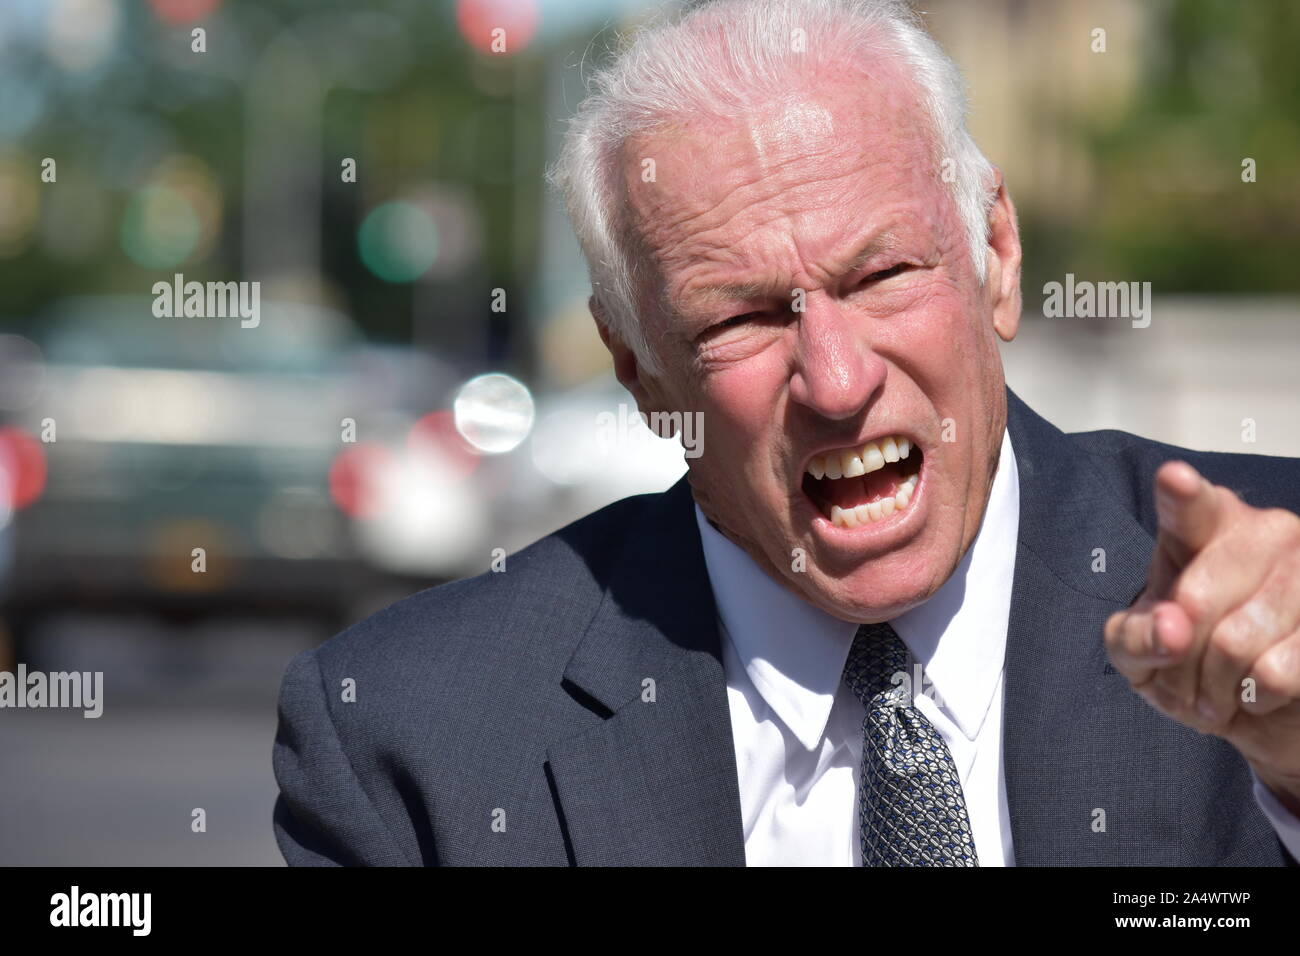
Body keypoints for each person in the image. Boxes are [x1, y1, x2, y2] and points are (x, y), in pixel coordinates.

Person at [272, 0, 1300, 865]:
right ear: (636, 366)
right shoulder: (413, 739)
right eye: (739, 319)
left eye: (882, 274)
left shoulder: (1274, 599)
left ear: (993, 252)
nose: (838, 380)